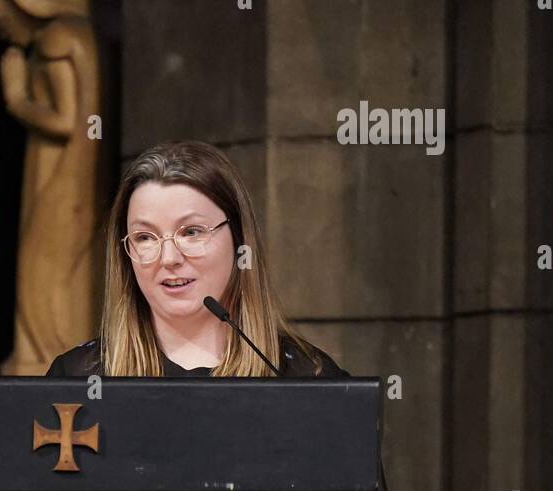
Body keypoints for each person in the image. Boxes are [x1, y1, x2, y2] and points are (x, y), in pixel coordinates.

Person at [46, 139, 347, 379]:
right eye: (145, 237)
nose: (169, 258)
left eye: (191, 232)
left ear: (239, 239)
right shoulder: (78, 379)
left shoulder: (309, 379)